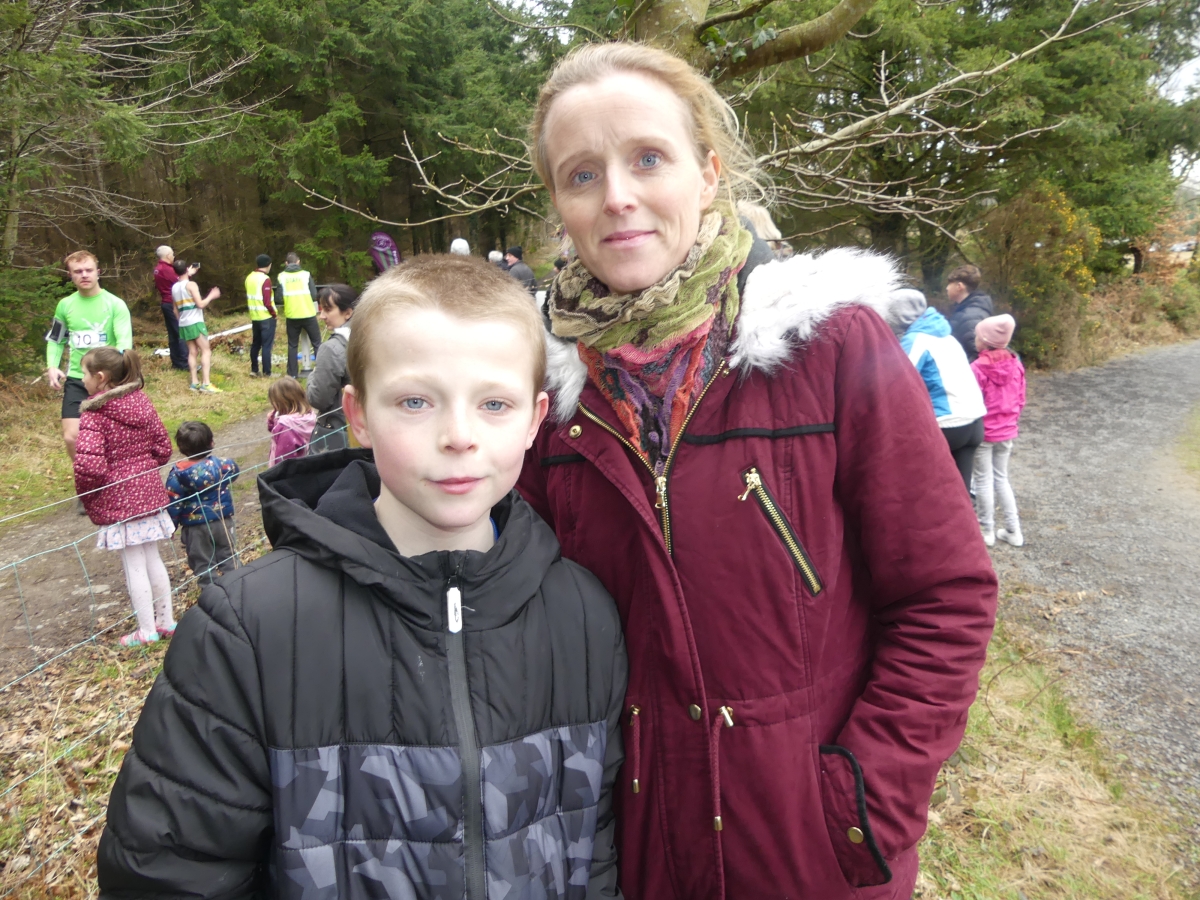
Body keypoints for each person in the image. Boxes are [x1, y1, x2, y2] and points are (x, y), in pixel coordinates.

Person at [518, 42, 997, 900]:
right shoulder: (542, 403)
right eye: (582, 174)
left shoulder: (830, 347)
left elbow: (945, 594)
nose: (617, 195)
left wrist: (864, 802)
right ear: (559, 203)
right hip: (637, 856)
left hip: (811, 855)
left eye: (647, 158)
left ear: (706, 174)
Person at [97, 254, 628, 899]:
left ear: (535, 418)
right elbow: (169, 874)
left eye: (494, 403)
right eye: (414, 401)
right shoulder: (250, 628)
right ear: (358, 414)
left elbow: (595, 848)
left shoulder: (583, 616)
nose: (458, 436)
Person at [73, 347, 175, 648]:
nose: (82, 379)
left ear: (100, 378)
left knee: (133, 565)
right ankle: (166, 620)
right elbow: (162, 448)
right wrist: (143, 470)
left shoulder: (94, 413)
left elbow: (90, 467)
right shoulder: (141, 401)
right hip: (148, 494)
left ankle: (146, 630)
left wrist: (89, 494)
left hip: (120, 502)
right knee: (153, 558)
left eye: (84, 373)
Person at [886, 289, 987, 492]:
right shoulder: (946, 335)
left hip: (947, 425)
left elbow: (893, 384)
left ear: (897, 317)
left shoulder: (915, 340)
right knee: (960, 498)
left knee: (927, 494)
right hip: (974, 423)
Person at [45, 250, 133, 462]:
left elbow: (124, 344)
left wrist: (119, 376)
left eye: (88, 270)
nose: (84, 275)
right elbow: (57, 339)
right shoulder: (65, 305)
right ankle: (85, 480)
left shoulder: (115, 304)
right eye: (78, 271)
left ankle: (112, 476)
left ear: (98, 272)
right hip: (77, 379)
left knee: (113, 436)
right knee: (71, 436)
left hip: (108, 381)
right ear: (70, 275)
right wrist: (52, 366)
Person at [971, 314, 1027, 548]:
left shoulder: (976, 368)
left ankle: (987, 531)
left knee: (983, 481)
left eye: (976, 335)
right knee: (1001, 478)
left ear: (984, 340)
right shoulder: (1016, 364)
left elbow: (971, 401)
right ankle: (1014, 530)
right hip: (1007, 431)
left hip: (984, 432)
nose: (974, 339)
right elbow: (1021, 398)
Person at [165, 421, 240, 584]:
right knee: (229, 557)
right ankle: (237, 588)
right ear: (211, 442)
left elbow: (174, 502)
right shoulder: (223, 465)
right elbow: (235, 471)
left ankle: (212, 596)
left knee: (204, 564)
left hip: (195, 527)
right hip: (222, 520)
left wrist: (170, 526)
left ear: (181, 448)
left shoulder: (178, 474)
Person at [306, 283, 357, 452]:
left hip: (339, 434)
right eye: (321, 309)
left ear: (348, 312)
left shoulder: (332, 348)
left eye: (328, 310)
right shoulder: (370, 337)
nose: (322, 316)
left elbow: (318, 398)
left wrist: (313, 375)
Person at [171, 259, 222, 393]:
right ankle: (206, 383)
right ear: (186, 269)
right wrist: (211, 295)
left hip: (183, 323)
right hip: (196, 322)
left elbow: (175, 310)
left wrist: (182, 320)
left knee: (192, 352)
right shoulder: (192, 284)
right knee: (206, 351)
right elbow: (200, 304)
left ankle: (194, 382)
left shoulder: (174, 287)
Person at [278, 251, 321, 378]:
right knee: (317, 343)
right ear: (298, 262)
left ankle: (292, 374)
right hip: (308, 313)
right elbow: (314, 295)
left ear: (286, 263)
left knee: (292, 345)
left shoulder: (281, 277)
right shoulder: (306, 275)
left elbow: (279, 298)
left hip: (292, 315)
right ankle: (322, 372)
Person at [945, 263, 993, 362]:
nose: (947, 288)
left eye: (950, 284)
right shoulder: (968, 310)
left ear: (959, 286)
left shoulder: (970, 317)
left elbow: (977, 357)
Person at [266, 376, 316, 466]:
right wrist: (273, 421)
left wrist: (275, 476)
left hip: (286, 474)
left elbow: (282, 459)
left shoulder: (285, 427)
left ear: (281, 402)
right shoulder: (308, 416)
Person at [152, 245, 188, 371]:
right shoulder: (167, 269)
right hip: (173, 303)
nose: (173, 257)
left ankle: (176, 362)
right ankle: (184, 363)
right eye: (172, 254)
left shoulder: (157, 269)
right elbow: (179, 281)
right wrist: (188, 273)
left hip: (165, 302)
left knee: (172, 334)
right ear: (168, 256)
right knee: (180, 332)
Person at [245, 253, 277, 377]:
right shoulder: (265, 279)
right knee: (266, 346)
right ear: (268, 265)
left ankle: (254, 370)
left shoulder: (249, 277)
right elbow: (267, 301)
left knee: (255, 344)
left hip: (254, 316)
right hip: (266, 317)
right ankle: (267, 372)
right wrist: (273, 313)